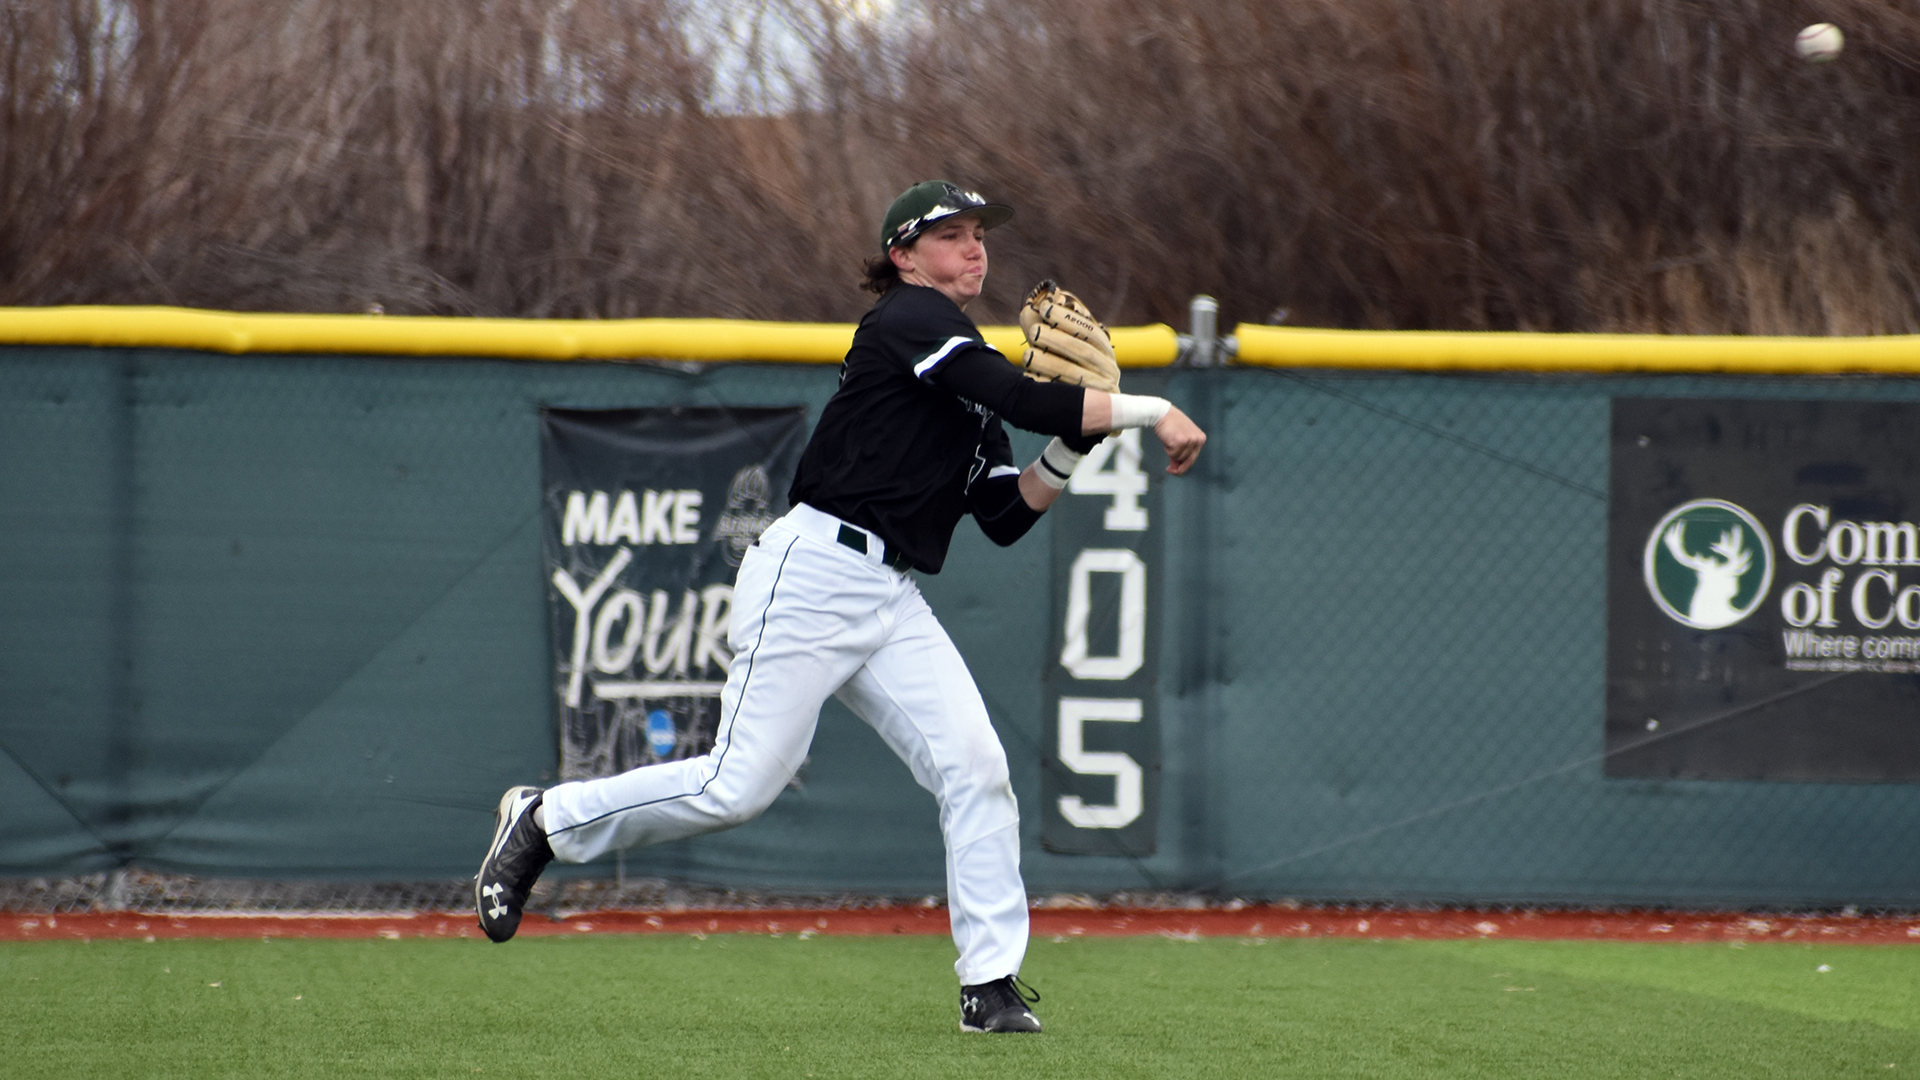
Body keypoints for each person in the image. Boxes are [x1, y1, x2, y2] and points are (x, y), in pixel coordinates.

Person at [475, 180, 1207, 1033]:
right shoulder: (909, 319)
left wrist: (1075, 444)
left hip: (891, 595)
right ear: (904, 255)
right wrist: (1152, 410)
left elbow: (1007, 514)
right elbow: (1020, 394)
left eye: (980, 234)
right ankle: (545, 820)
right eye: (953, 234)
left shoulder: (968, 378)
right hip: (814, 574)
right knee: (737, 787)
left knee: (976, 768)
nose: (975, 247)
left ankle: (990, 984)